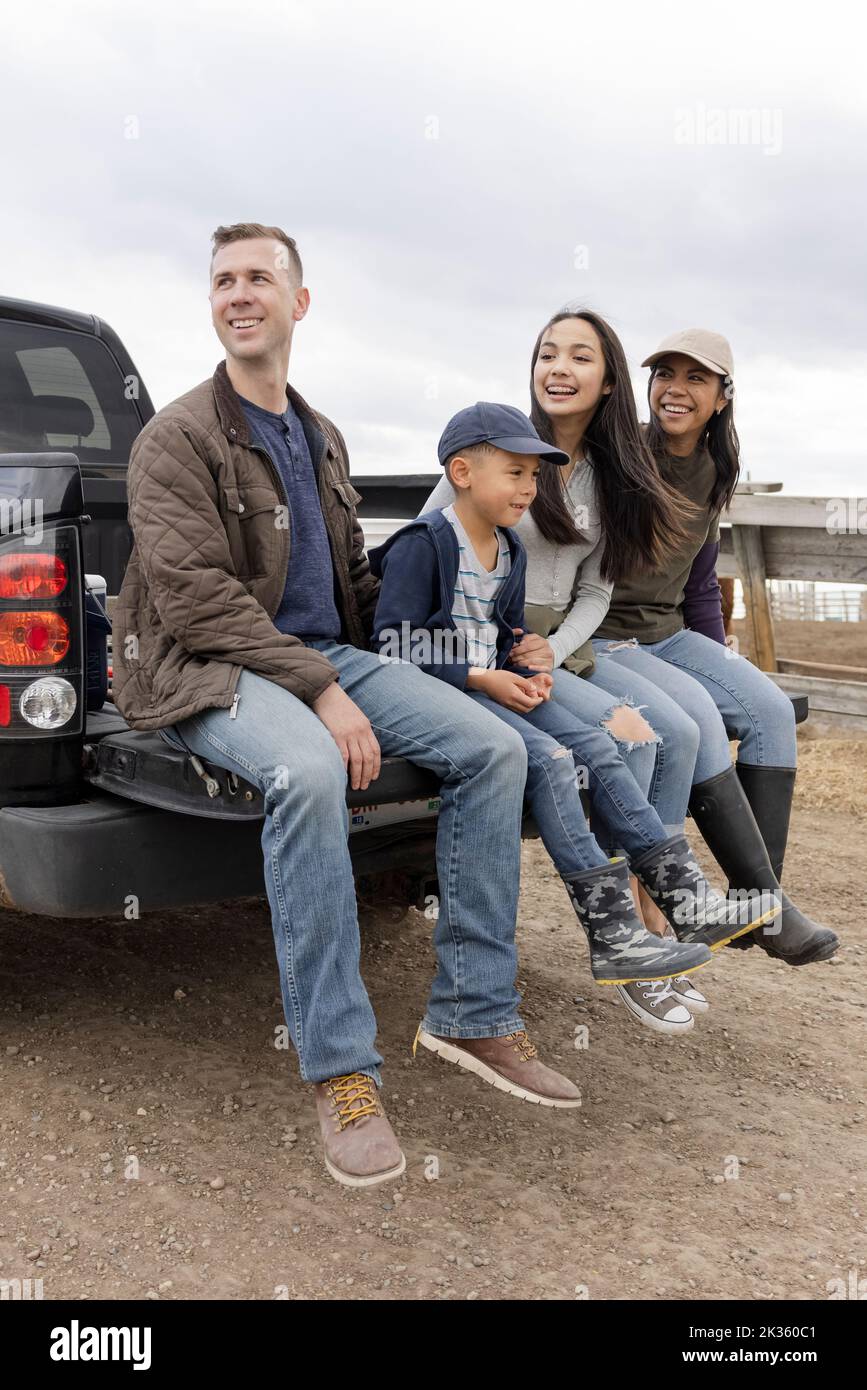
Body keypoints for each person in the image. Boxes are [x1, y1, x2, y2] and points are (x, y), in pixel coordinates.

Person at [111, 222, 584, 1191]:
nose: (238, 294)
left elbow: (357, 586)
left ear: (299, 303)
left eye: (258, 279)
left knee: (495, 748)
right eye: (222, 281)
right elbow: (196, 599)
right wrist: (321, 690)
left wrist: (477, 652)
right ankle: (340, 1069)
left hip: (327, 655)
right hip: (209, 666)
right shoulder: (176, 439)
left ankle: (473, 1009)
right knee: (311, 769)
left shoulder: (319, 435)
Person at [370, 402, 780, 1042]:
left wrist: (524, 657)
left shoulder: (508, 550)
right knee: (556, 761)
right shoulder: (423, 547)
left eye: (534, 476)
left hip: (499, 683)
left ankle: (684, 893)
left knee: (598, 740)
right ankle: (612, 928)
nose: (530, 489)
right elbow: (393, 641)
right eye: (515, 473)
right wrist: (481, 675)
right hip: (447, 696)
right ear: (461, 472)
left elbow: (500, 629)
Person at [421, 312, 710, 1033]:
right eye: (547, 353)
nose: (558, 367)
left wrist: (553, 647)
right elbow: (429, 550)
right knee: (626, 742)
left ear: (607, 380)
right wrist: (480, 652)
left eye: (578, 356)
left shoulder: (607, 478)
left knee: (651, 735)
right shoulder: (490, 454)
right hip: (482, 654)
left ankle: (649, 933)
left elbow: (596, 590)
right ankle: (625, 939)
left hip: (549, 653)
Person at [588, 329, 840, 967]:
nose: (675, 389)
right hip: (605, 638)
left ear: (723, 397)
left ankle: (761, 902)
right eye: (663, 375)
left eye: (695, 378)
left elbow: (700, 583)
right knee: (693, 717)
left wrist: (717, 660)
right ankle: (730, 907)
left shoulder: (718, 469)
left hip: (670, 634)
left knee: (772, 711)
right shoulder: (620, 455)